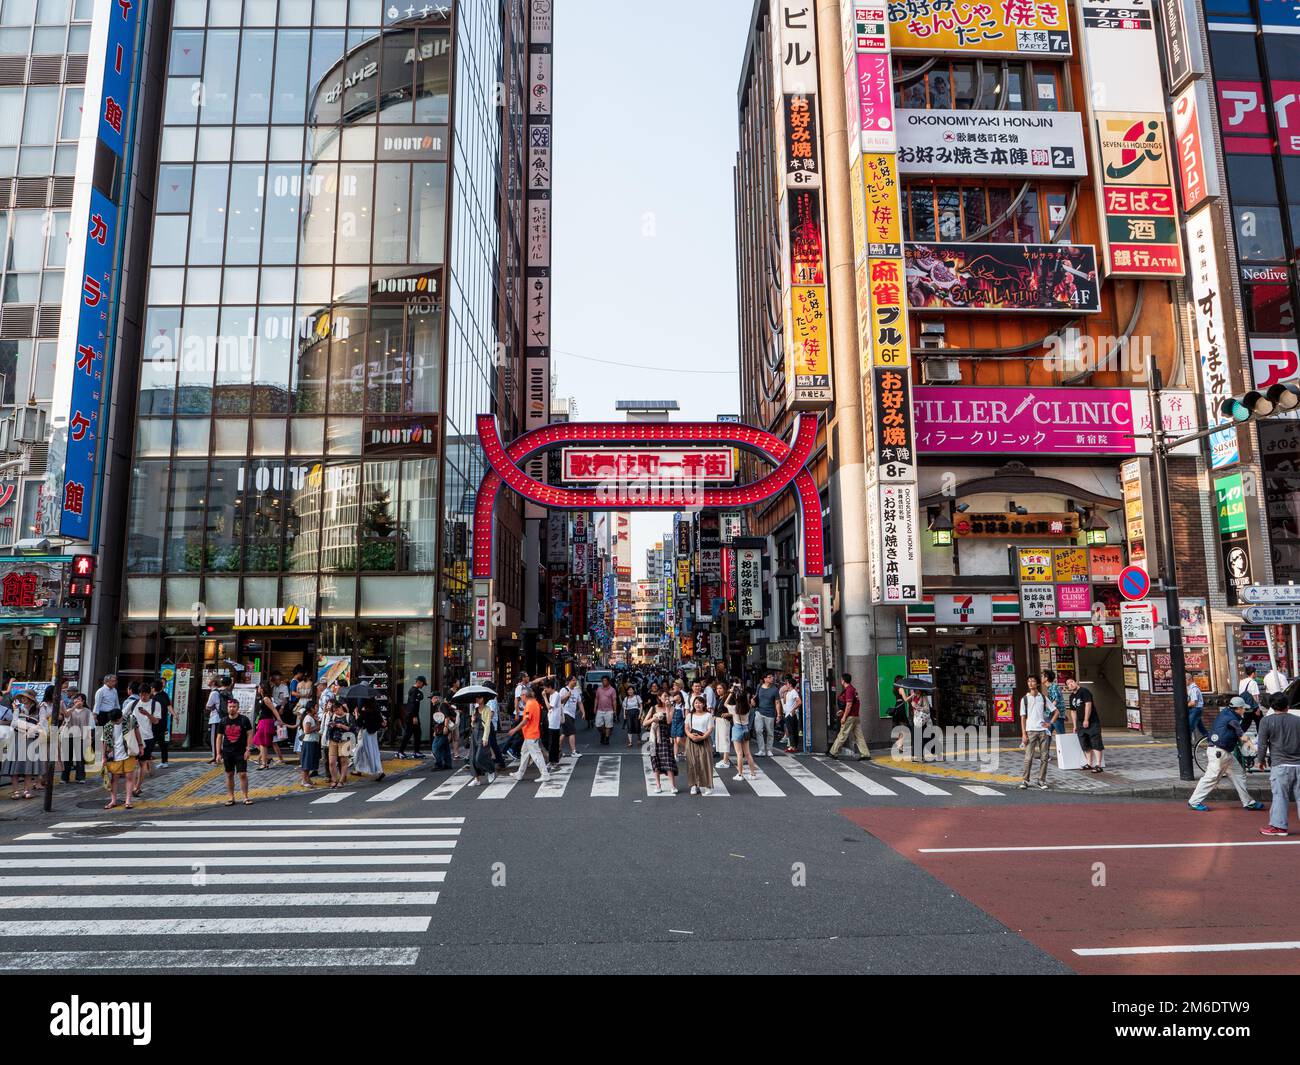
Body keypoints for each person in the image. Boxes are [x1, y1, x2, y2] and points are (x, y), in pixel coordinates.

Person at [1188, 696, 1267, 813]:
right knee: (1211, 778)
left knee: (1239, 774)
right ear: (1238, 708)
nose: (1244, 711)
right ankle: (1194, 802)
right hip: (1219, 753)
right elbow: (1242, 736)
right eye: (1243, 708)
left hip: (1223, 753)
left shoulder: (1227, 713)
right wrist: (1254, 748)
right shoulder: (1232, 719)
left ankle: (1248, 802)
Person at [1258, 703, 1300, 835]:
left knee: (1280, 796)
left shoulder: (1267, 721)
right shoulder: (1298, 720)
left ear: (1272, 706)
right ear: (1287, 706)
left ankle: (1279, 827)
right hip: (1299, 763)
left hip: (1280, 764)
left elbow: (1262, 743)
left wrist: (1261, 760)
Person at [508, 684, 551, 783]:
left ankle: (545, 774)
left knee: (536, 755)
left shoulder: (529, 704)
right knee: (524, 753)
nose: (520, 698)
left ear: (524, 695)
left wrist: (514, 730)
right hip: (530, 734)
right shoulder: (534, 702)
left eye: (521, 696)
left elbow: (525, 721)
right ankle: (520, 773)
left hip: (531, 734)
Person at [100, 705, 141, 810]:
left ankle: (128, 801)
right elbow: (104, 741)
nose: (115, 723)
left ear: (121, 717)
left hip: (129, 753)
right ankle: (113, 800)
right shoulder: (108, 726)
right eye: (113, 721)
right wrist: (103, 756)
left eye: (117, 721)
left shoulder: (130, 720)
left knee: (129, 777)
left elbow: (137, 732)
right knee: (114, 779)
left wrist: (141, 745)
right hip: (114, 755)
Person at [3, 691, 43, 800]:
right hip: (17, 739)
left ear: (31, 699)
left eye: (25, 697)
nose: (22, 699)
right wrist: (31, 727)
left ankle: (27, 790)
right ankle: (15, 791)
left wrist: (33, 729)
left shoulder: (40, 710)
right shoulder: (18, 709)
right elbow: (14, 723)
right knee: (15, 767)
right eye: (22, 697)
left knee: (28, 767)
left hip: (32, 740)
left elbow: (43, 726)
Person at [217, 696, 253, 806]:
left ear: (238, 708)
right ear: (227, 708)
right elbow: (219, 737)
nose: (232, 708)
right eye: (230, 707)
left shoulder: (244, 720)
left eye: (234, 707)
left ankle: (245, 796)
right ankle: (230, 797)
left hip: (241, 751)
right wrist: (218, 753)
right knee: (229, 774)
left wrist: (248, 749)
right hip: (227, 751)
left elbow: (250, 734)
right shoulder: (223, 721)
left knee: (242, 774)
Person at [1017, 676, 1051, 790]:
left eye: (1033, 681)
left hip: (1043, 731)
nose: (1030, 683)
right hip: (1030, 731)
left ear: (1037, 684)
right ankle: (1025, 780)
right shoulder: (1024, 699)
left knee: (1044, 757)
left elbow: (1055, 711)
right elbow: (1023, 718)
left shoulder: (1043, 698)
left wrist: (1049, 723)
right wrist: (1023, 734)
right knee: (1028, 758)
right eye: (1029, 681)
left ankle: (1041, 780)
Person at [829, 672, 871, 761]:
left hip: (850, 717)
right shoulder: (853, 689)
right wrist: (843, 711)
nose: (841, 681)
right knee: (859, 736)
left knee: (842, 734)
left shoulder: (848, 690)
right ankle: (865, 754)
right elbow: (853, 704)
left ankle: (833, 752)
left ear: (843, 680)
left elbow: (849, 705)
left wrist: (844, 717)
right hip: (856, 716)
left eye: (841, 679)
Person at [1066, 677, 1104, 773]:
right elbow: (1073, 712)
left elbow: (1088, 705)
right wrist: (1074, 725)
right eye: (1068, 684)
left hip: (1092, 721)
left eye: (1072, 682)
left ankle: (1098, 765)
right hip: (1079, 723)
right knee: (1085, 743)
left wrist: (1086, 719)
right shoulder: (1071, 697)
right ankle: (1089, 763)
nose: (1070, 684)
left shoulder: (1084, 691)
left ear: (1076, 683)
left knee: (1095, 741)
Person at [132, 683, 162, 798]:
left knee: (142, 763)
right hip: (133, 738)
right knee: (134, 763)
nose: (142, 697)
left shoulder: (155, 704)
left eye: (144, 694)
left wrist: (147, 714)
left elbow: (156, 721)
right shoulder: (133, 703)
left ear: (149, 693)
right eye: (140, 694)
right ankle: (134, 785)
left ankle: (137, 787)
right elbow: (122, 716)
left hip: (148, 737)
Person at [722, 683, 757, 781]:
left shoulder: (734, 708)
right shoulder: (748, 707)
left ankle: (740, 774)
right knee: (748, 753)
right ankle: (753, 773)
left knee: (739, 754)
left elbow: (725, 703)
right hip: (746, 729)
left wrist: (730, 693)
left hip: (737, 729)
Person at [647, 692, 679, 794]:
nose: (666, 698)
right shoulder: (653, 708)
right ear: (659, 697)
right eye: (664, 696)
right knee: (655, 760)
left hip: (664, 736)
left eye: (667, 696)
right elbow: (644, 722)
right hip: (653, 737)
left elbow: (669, 721)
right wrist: (653, 719)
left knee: (668, 760)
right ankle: (658, 785)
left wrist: (667, 708)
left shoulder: (671, 708)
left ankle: (673, 786)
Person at [250, 684, 286, 770]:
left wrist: (279, 720)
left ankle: (264, 762)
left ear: (262, 689)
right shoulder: (264, 698)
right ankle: (266, 759)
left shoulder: (266, 699)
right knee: (259, 742)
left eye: (259, 687)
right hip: (263, 721)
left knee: (261, 742)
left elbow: (273, 709)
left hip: (266, 722)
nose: (258, 689)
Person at [684, 695, 715, 795]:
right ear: (693, 704)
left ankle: (707, 786)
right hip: (691, 741)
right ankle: (693, 785)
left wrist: (702, 737)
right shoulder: (690, 715)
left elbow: (710, 729)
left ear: (704, 704)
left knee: (705, 763)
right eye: (696, 703)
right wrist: (690, 736)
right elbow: (686, 728)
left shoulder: (708, 715)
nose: (698, 705)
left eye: (700, 703)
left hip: (704, 741)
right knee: (692, 763)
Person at [58, 692, 92, 783]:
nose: (76, 701)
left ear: (83, 701)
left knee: (80, 758)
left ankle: (80, 777)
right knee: (67, 758)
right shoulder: (70, 710)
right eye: (75, 699)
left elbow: (90, 725)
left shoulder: (88, 711)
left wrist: (89, 738)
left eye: (79, 699)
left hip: (82, 737)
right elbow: (66, 715)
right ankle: (65, 778)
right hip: (69, 736)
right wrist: (73, 707)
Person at [466, 694, 497, 786]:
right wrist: (472, 720)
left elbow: (487, 724)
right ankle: (477, 779)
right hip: (474, 733)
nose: (476, 699)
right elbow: (472, 725)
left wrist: (485, 738)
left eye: (478, 698)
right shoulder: (474, 709)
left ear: (483, 699)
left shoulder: (487, 709)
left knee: (479, 757)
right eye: (476, 698)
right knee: (472, 757)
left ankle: (491, 770)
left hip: (482, 733)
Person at [353, 699, 386, 780]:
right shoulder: (376, 712)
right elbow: (382, 723)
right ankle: (378, 770)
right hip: (373, 734)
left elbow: (358, 724)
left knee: (365, 752)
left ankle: (375, 771)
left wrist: (357, 714)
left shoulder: (365, 713)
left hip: (365, 734)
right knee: (374, 752)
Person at [324, 700, 354, 788]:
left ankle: (341, 780)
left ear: (341, 707)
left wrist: (342, 726)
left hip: (345, 741)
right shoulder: (333, 716)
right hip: (333, 740)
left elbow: (353, 729)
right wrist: (331, 726)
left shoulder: (349, 716)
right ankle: (334, 779)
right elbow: (328, 727)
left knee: (343, 761)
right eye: (334, 711)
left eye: (337, 710)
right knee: (331, 762)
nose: (336, 712)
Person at [398, 676, 426, 758]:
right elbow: (412, 704)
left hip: (413, 714)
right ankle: (400, 751)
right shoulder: (414, 691)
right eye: (423, 684)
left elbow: (420, 697)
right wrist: (414, 716)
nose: (423, 686)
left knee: (417, 733)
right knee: (408, 734)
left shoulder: (415, 690)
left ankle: (416, 752)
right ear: (419, 682)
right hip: (411, 715)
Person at [752, 672, 779, 756]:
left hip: (770, 713)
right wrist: (752, 700)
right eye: (769, 677)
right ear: (765, 679)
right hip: (759, 711)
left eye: (772, 677)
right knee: (758, 730)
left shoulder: (775, 689)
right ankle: (761, 750)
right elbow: (756, 696)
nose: (772, 678)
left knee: (770, 732)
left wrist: (779, 714)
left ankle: (769, 749)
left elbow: (777, 702)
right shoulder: (759, 686)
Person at [297, 698, 320, 788]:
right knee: (306, 762)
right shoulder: (308, 718)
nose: (317, 708)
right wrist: (316, 728)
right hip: (309, 742)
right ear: (311, 708)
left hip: (312, 741)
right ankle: (304, 780)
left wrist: (317, 721)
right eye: (316, 707)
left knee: (310, 761)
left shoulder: (311, 717)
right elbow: (307, 730)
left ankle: (308, 779)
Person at [206, 679, 229, 763]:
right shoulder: (222, 692)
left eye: (209, 679)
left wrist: (210, 707)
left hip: (215, 718)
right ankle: (219, 755)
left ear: (213, 682)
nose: (207, 681)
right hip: (222, 718)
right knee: (219, 738)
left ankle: (216, 756)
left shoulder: (214, 692)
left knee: (213, 738)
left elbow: (208, 706)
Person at [560, 675, 584, 758]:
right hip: (565, 713)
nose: (575, 681)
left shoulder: (576, 691)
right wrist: (566, 695)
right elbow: (559, 701)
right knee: (572, 732)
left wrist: (583, 712)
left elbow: (580, 702)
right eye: (574, 680)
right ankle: (573, 751)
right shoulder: (563, 690)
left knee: (564, 733)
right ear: (569, 681)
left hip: (572, 714)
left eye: (575, 680)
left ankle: (557, 750)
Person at [593, 675, 617, 746]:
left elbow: (614, 700)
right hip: (600, 710)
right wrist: (595, 708)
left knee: (608, 726)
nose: (604, 682)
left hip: (609, 710)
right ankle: (603, 733)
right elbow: (596, 699)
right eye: (603, 681)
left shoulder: (612, 690)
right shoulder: (599, 689)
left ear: (608, 681)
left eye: (605, 680)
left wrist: (615, 710)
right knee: (598, 725)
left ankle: (606, 738)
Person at [429, 702, 454, 771]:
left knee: (435, 747)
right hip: (440, 729)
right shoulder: (439, 706)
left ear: (437, 698)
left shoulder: (442, 705)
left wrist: (445, 727)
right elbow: (439, 720)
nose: (432, 700)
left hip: (442, 730)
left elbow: (447, 716)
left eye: (433, 698)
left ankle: (438, 765)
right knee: (445, 747)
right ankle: (448, 764)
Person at [544, 679, 563, 769]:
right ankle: (554, 761)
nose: (545, 691)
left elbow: (549, 707)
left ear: (550, 687)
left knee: (553, 743)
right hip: (553, 721)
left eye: (546, 689)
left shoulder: (555, 695)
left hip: (554, 722)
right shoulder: (553, 695)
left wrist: (544, 697)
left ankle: (553, 761)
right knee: (553, 742)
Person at [1040, 670, 1065, 736]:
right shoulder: (1049, 687)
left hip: (1056, 716)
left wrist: (1048, 711)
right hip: (1052, 715)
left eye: (1042, 676)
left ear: (1046, 678)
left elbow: (1055, 701)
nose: (1041, 678)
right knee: (1047, 735)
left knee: (1061, 736)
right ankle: (1045, 746)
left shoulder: (1053, 687)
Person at [781, 676, 802, 753]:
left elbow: (799, 702)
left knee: (791, 731)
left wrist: (793, 710)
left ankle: (793, 747)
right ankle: (793, 746)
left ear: (790, 684)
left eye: (786, 683)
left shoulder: (793, 692)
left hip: (790, 714)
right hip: (788, 713)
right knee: (792, 730)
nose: (786, 685)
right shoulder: (789, 692)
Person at [622, 683, 642, 749]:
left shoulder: (637, 697)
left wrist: (640, 714)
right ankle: (630, 741)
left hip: (636, 713)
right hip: (629, 714)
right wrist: (624, 715)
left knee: (637, 726)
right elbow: (624, 707)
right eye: (629, 690)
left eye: (631, 690)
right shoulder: (626, 699)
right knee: (629, 727)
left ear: (634, 690)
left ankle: (639, 738)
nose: (630, 691)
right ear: (627, 691)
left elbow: (641, 706)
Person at [1187, 676, 1207, 742]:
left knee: (1189, 727)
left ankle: (1187, 744)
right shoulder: (1191, 688)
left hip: (1195, 709)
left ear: (1189, 679)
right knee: (1201, 728)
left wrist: (1184, 706)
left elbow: (1194, 702)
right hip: (1196, 709)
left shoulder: (1193, 689)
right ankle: (1211, 741)